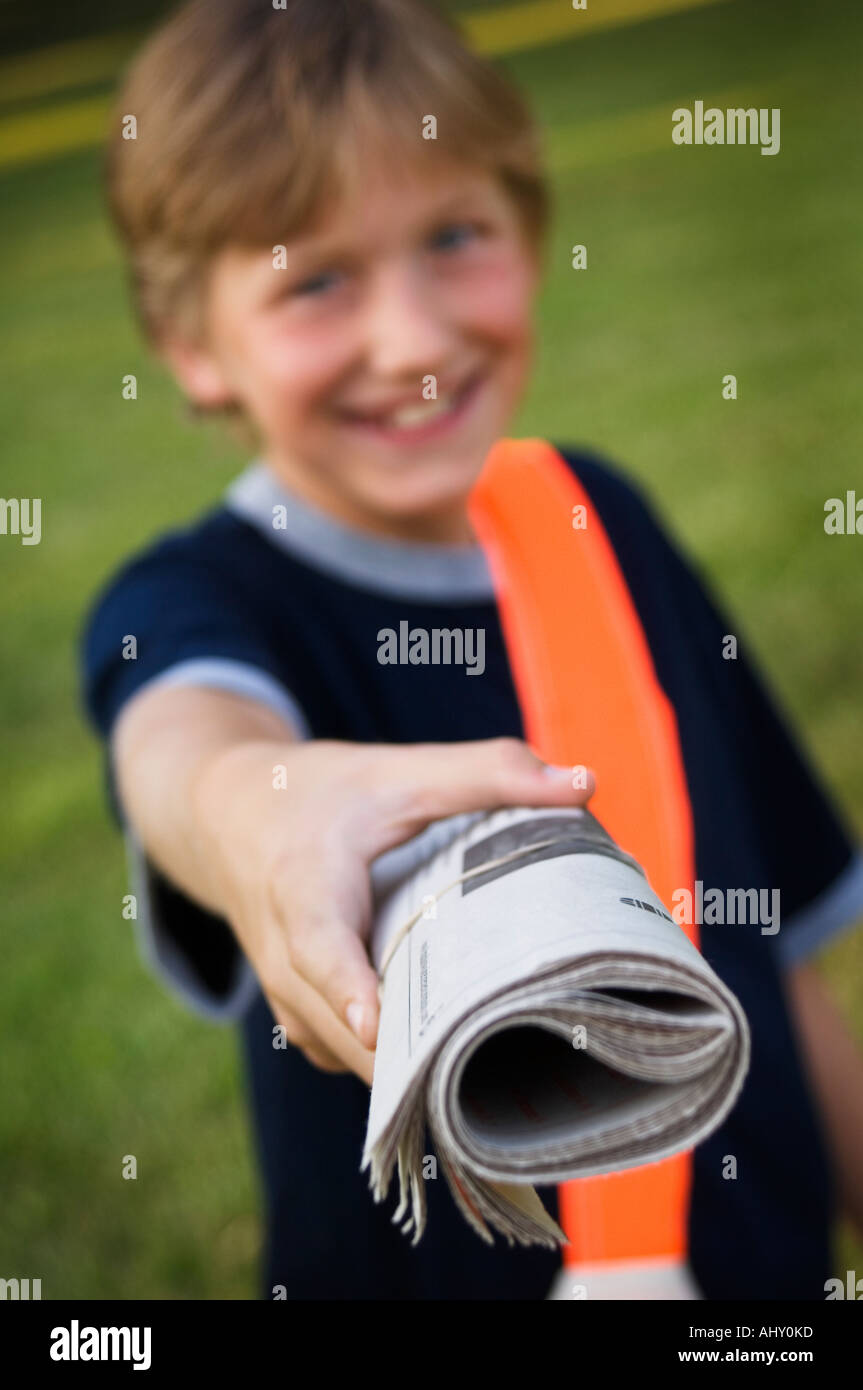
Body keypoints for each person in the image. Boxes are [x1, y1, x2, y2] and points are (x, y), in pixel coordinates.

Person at [81, 0, 863, 1300]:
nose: (418, 339)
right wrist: (262, 815)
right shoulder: (197, 594)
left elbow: (773, 957)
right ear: (191, 345)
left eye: (456, 237)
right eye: (313, 279)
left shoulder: (599, 517)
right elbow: (186, 739)